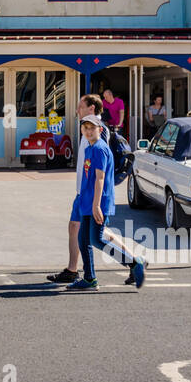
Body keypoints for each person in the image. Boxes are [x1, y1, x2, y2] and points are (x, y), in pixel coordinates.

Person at [67, 115, 145, 291]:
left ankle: (134, 263)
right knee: (83, 239)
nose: (88, 131)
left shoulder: (100, 149)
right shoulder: (89, 148)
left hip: (97, 202)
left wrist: (96, 206)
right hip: (87, 200)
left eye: (92, 128)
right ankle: (89, 279)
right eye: (85, 128)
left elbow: (100, 179)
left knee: (96, 239)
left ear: (100, 130)